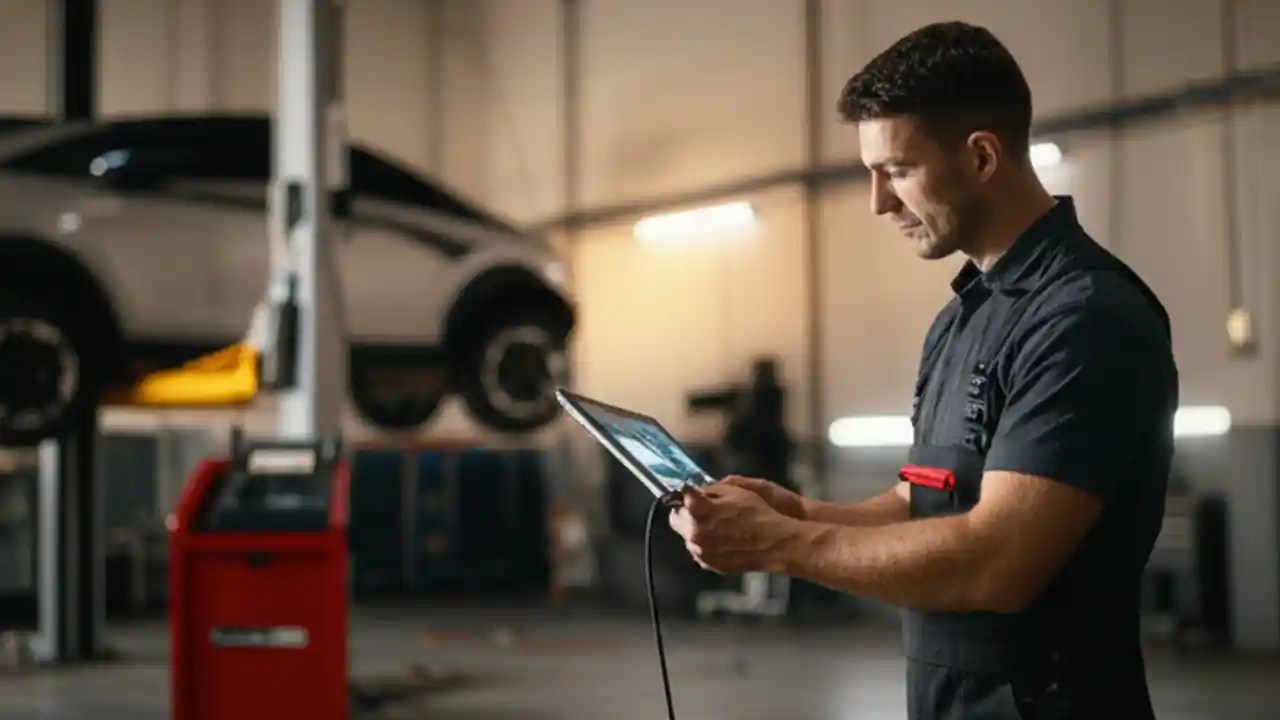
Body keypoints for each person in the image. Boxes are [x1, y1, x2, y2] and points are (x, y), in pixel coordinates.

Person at [668, 20, 1178, 720]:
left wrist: (784, 545)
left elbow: (998, 560)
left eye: (898, 171)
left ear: (981, 157)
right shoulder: (963, 319)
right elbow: (925, 504)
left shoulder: (1087, 317)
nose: (879, 202)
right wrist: (801, 512)